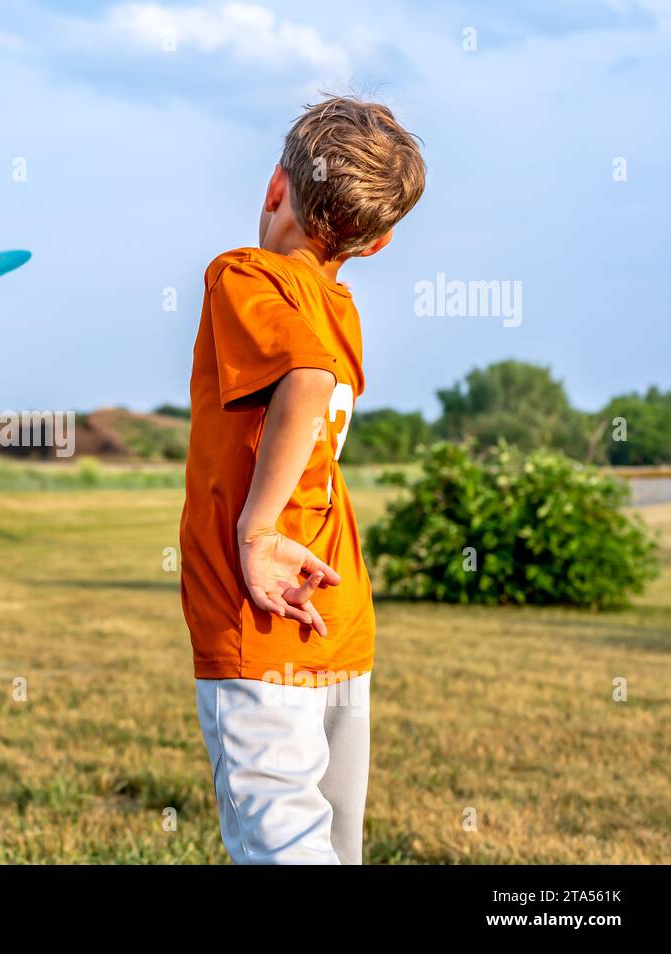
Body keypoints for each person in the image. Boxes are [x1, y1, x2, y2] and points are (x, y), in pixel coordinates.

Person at [180, 96, 426, 864]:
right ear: (378, 243)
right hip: (338, 621)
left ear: (274, 188)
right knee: (333, 843)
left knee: (283, 843)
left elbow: (307, 377)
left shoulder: (244, 275)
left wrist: (256, 531)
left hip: (261, 620)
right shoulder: (340, 304)